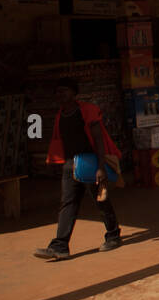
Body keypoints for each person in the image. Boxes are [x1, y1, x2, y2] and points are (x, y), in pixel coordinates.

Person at [35, 77, 123, 260]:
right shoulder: (61, 114)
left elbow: (98, 139)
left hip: (90, 162)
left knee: (100, 199)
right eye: (58, 91)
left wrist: (100, 167)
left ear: (74, 93)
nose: (61, 94)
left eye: (64, 90)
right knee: (68, 203)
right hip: (70, 164)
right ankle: (60, 246)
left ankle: (113, 235)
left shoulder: (87, 111)